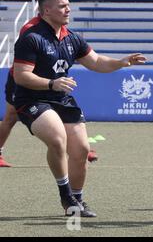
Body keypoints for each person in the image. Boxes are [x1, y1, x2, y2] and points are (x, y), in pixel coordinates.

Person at [13, 0, 146, 217]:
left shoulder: (72, 37)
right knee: (56, 137)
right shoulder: (31, 37)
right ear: (46, 10)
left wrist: (122, 62)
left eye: (68, 4)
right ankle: (66, 196)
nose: (68, 9)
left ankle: (78, 200)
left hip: (61, 99)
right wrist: (51, 84)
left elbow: (96, 62)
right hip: (32, 98)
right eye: (62, 6)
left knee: (82, 149)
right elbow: (21, 75)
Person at [0, 17, 98, 167]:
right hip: (21, 80)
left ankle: (76, 147)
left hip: (48, 82)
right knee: (11, 117)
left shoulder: (62, 30)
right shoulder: (31, 28)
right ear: (46, 8)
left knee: (55, 112)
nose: (66, 9)